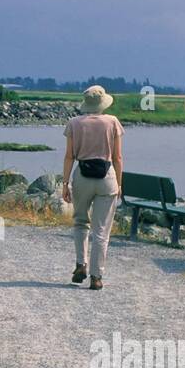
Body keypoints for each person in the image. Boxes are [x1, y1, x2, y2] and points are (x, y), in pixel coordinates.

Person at [62, 85, 124, 290]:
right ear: (103, 103)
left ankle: (81, 264)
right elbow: (117, 157)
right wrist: (119, 183)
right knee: (101, 231)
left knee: (80, 222)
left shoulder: (74, 123)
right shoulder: (112, 122)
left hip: (82, 176)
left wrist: (65, 183)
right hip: (107, 177)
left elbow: (69, 156)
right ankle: (96, 277)